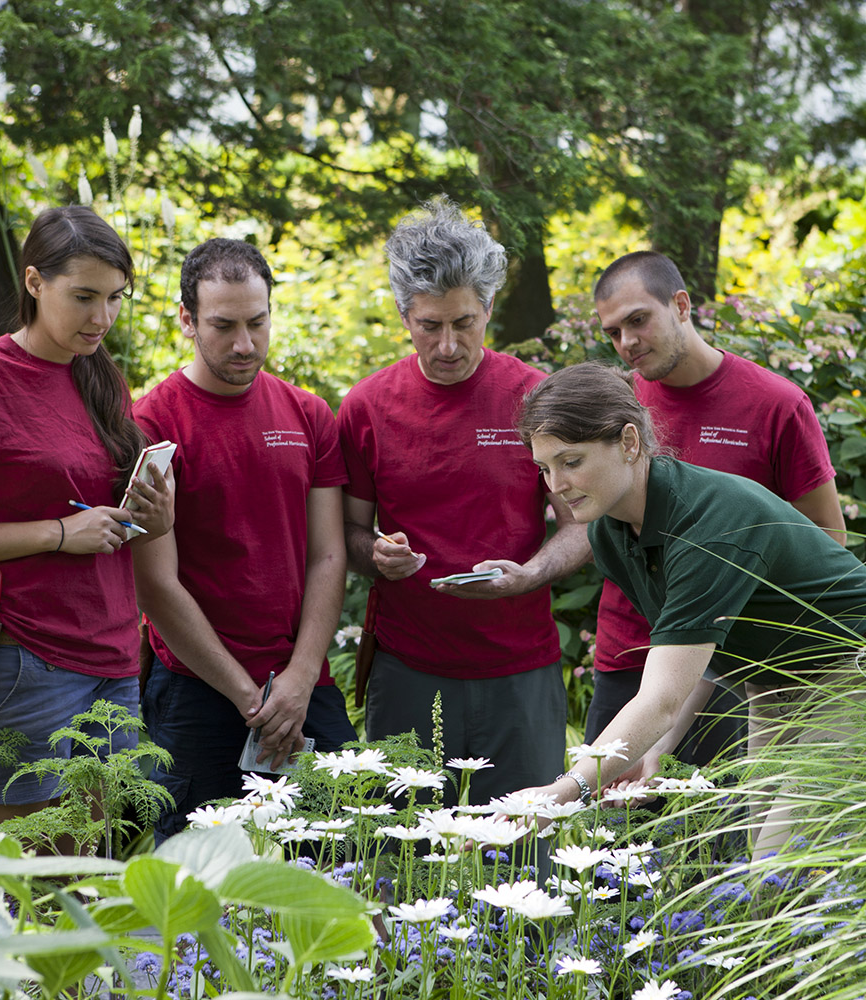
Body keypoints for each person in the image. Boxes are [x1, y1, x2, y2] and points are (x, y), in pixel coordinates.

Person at [0, 206, 173, 825]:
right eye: (84, 297)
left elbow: (106, 523)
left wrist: (151, 514)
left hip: (113, 658)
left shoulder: (101, 378)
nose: (102, 318)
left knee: (88, 862)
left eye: (115, 297)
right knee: (12, 867)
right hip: (20, 658)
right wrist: (59, 534)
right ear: (34, 282)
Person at [516, 361, 866, 858]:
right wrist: (655, 751)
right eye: (545, 468)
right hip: (770, 683)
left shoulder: (707, 523)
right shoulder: (611, 532)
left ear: (629, 442)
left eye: (571, 461)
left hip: (848, 671)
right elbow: (689, 655)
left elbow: (660, 698)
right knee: (762, 859)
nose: (557, 484)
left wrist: (567, 789)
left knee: (779, 866)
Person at [338, 198, 591, 807]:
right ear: (404, 314)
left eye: (465, 322)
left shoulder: (533, 397)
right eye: (430, 326)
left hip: (520, 667)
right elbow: (345, 532)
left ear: (489, 308)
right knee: (406, 848)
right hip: (407, 667)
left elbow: (583, 524)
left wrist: (530, 573)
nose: (449, 345)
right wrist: (376, 554)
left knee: (524, 844)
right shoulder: (367, 407)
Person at [132, 238, 357, 842]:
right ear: (187, 320)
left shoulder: (308, 415)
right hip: (197, 689)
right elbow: (155, 584)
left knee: (347, 855)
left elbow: (328, 554)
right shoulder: (152, 424)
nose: (244, 344)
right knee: (198, 873)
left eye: (257, 323)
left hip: (301, 681)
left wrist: (301, 677)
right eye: (224, 326)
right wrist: (251, 700)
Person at [587, 251, 846, 760]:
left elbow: (825, 538)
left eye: (638, 320)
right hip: (628, 652)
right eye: (613, 332)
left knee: (720, 810)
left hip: (729, 658)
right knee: (605, 807)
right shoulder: (617, 405)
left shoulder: (775, 403)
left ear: (682, 305)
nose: (627, 342)